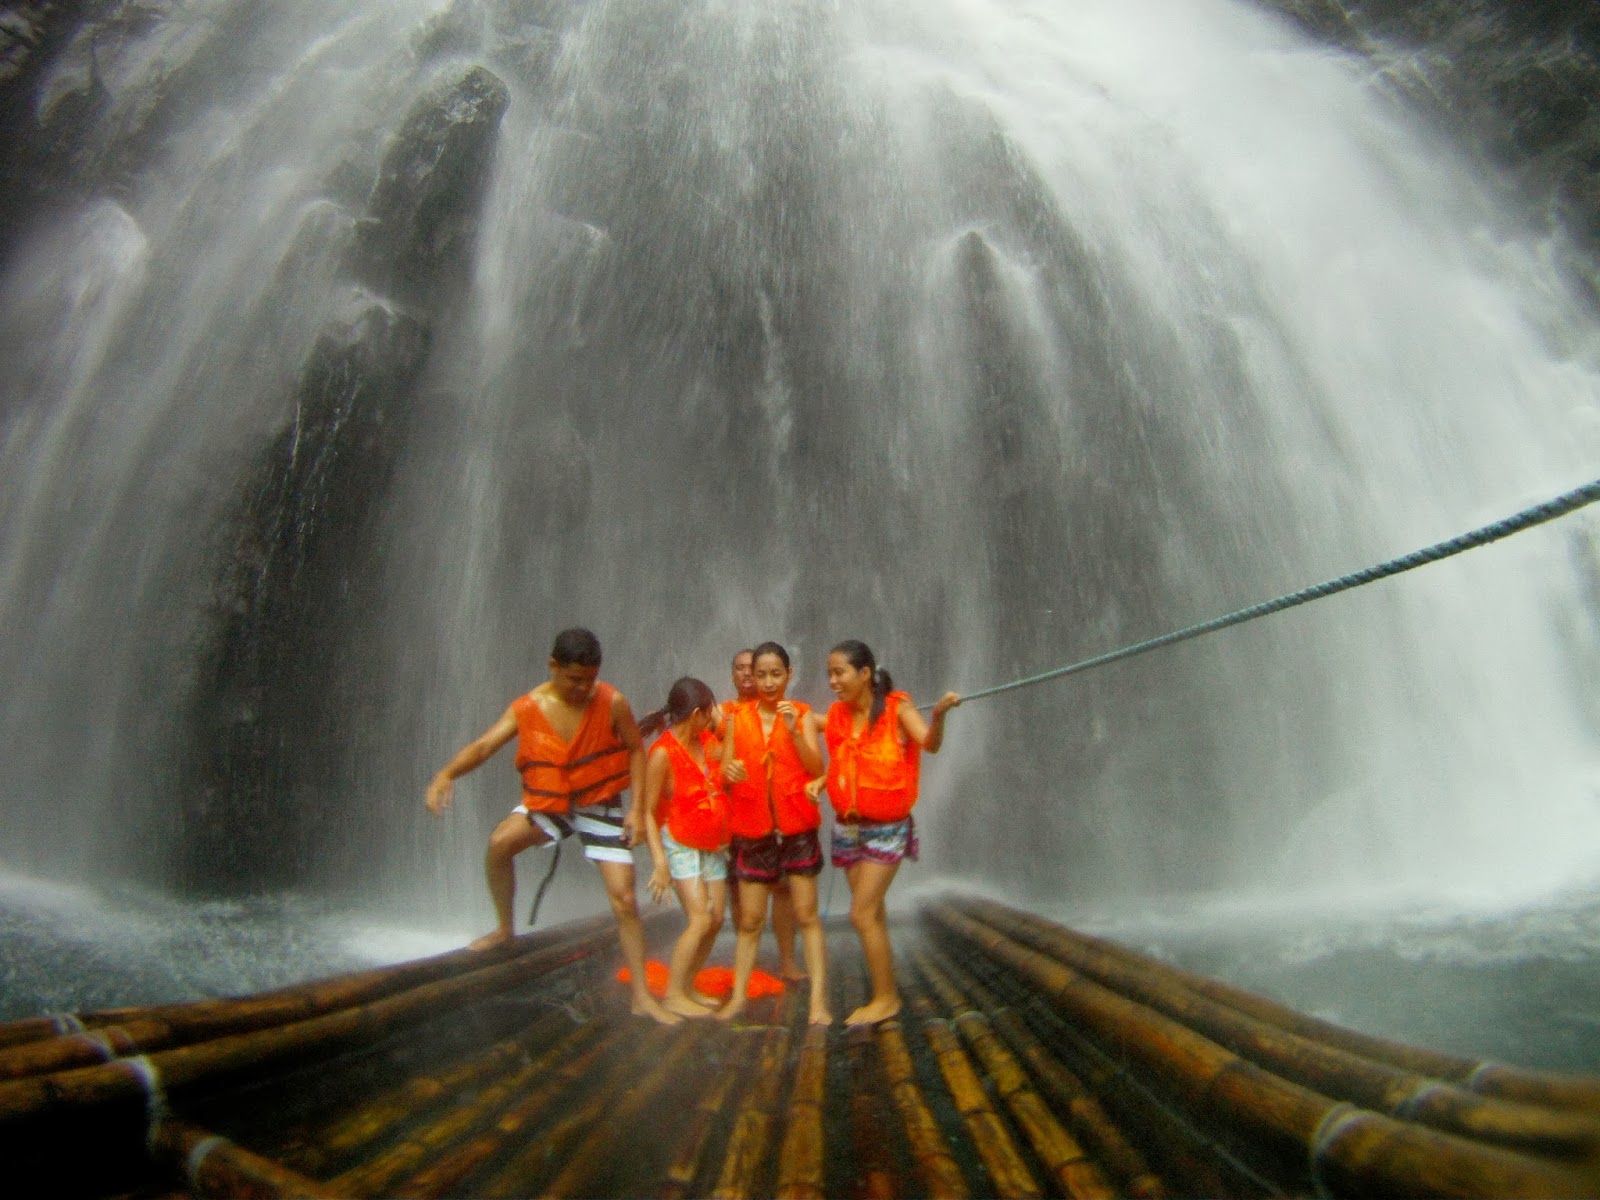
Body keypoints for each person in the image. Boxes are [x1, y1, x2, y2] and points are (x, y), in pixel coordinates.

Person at [424, 627, 678, 1024]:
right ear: (553, 666)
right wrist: (446, 775)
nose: (583, 688)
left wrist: (636, 810)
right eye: (574, 679)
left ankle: (643, 996)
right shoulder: (528, 707)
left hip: (600, 802)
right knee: (499, 843)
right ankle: (505, 929)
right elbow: (484, 746)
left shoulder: (612, 702)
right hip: (553, 801)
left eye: (590, 679)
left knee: (625, 900)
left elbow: (634, 749)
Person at [807, 639, 959, 1026]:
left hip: (886, 829)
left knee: (861, 913)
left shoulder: (897, 709)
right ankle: (883, 984)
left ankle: (886, 998)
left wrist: (939, 714)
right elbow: (841, 753)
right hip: (848, 828)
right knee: (871, 912)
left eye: (839, 673)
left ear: (864, 674)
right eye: (830, 673)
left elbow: (929, 743)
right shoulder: (839, 716)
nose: (832, 681)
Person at [717, 642, 831, 1024]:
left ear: (788, 675)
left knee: (807, 914)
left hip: (796, 829)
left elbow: (816, 768)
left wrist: (794, 733)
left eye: (775, 674)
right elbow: (725, 772)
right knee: (750, 921)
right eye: (760, 674)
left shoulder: (800, 715)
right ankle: (738, 998)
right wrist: (728, 773)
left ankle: (818, 1001)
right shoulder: (736, 718)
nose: (767, 682)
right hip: (754, 831)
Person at [639, 677, 732, 1020]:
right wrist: (659, 863)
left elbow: (733, 753)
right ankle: (674, 994)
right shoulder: (662, 754)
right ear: (696, 713)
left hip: (710, 842)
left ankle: (689, 984)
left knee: (718, 918)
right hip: (679, 843)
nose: (712, 720)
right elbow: (648, 812)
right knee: (699, 919)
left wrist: (730, 723)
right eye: (709, 714)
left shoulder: (705, 739)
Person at [723, 647, 804, 981]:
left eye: (750, 669)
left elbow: (821, 723)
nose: (747, 675)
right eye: (741, 668)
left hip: (779, 815)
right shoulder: (724, 714)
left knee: (784, 888)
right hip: (736, 816)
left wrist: (872, 716)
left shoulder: (788, 712)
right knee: (741, 891)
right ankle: (748, 966)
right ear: (735, 674)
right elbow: (693, 732)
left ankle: (786, 961)